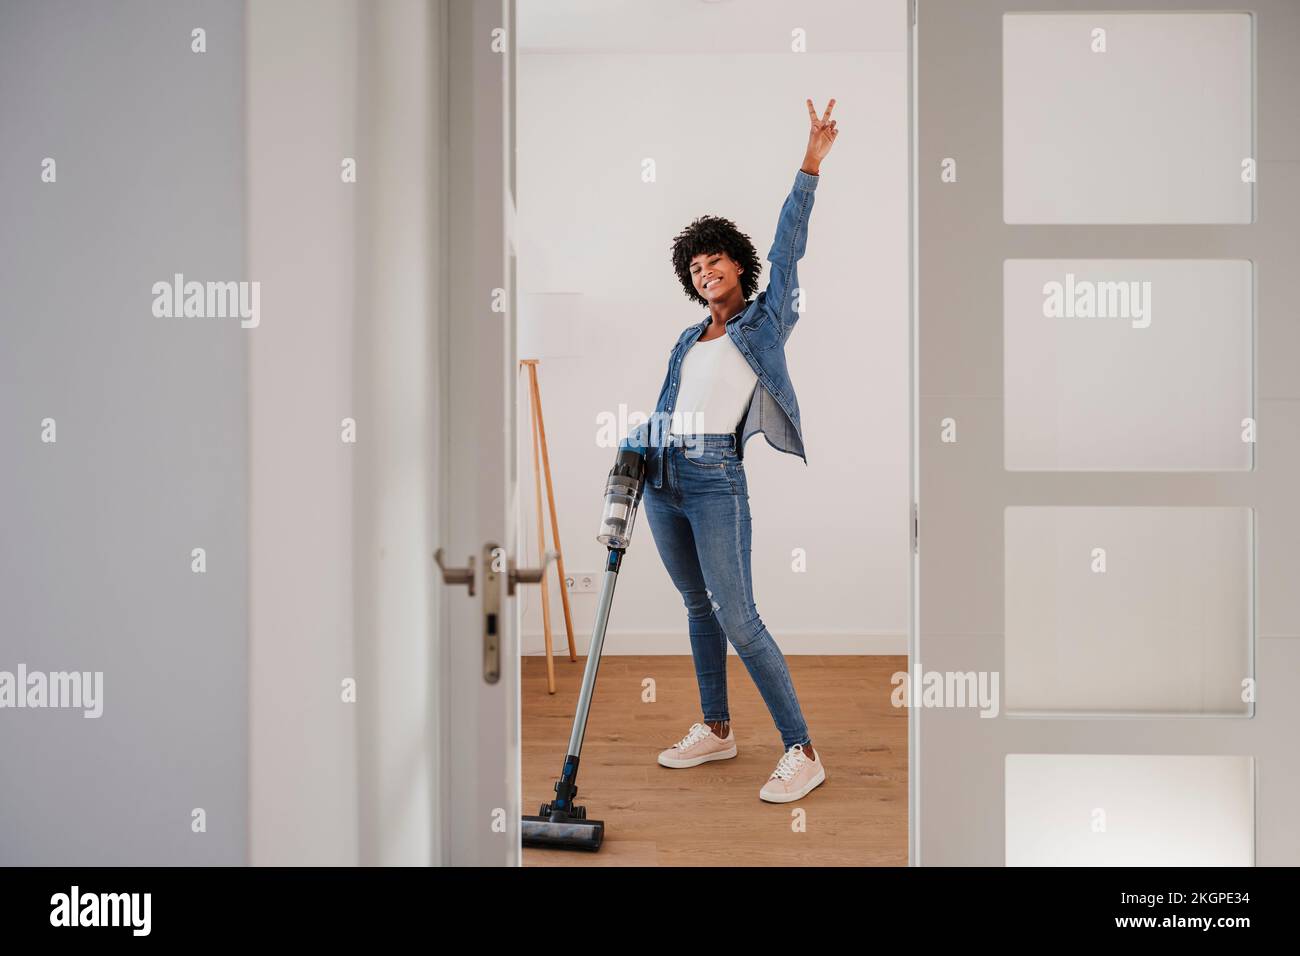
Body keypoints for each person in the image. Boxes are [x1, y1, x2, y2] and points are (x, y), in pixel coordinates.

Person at [620, 98, 838, 803]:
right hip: (663, 479)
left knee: (740, 617)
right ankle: (717, 728)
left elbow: (789, 248)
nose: (706, 271)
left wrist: (809, 164)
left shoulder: (764, 323)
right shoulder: (689, 340)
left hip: (716, 479)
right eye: (696, 266)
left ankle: (802, 750)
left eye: (716, 261)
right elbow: (666, 407)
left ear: (738, 268)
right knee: (697, 606)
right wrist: (638, 451)